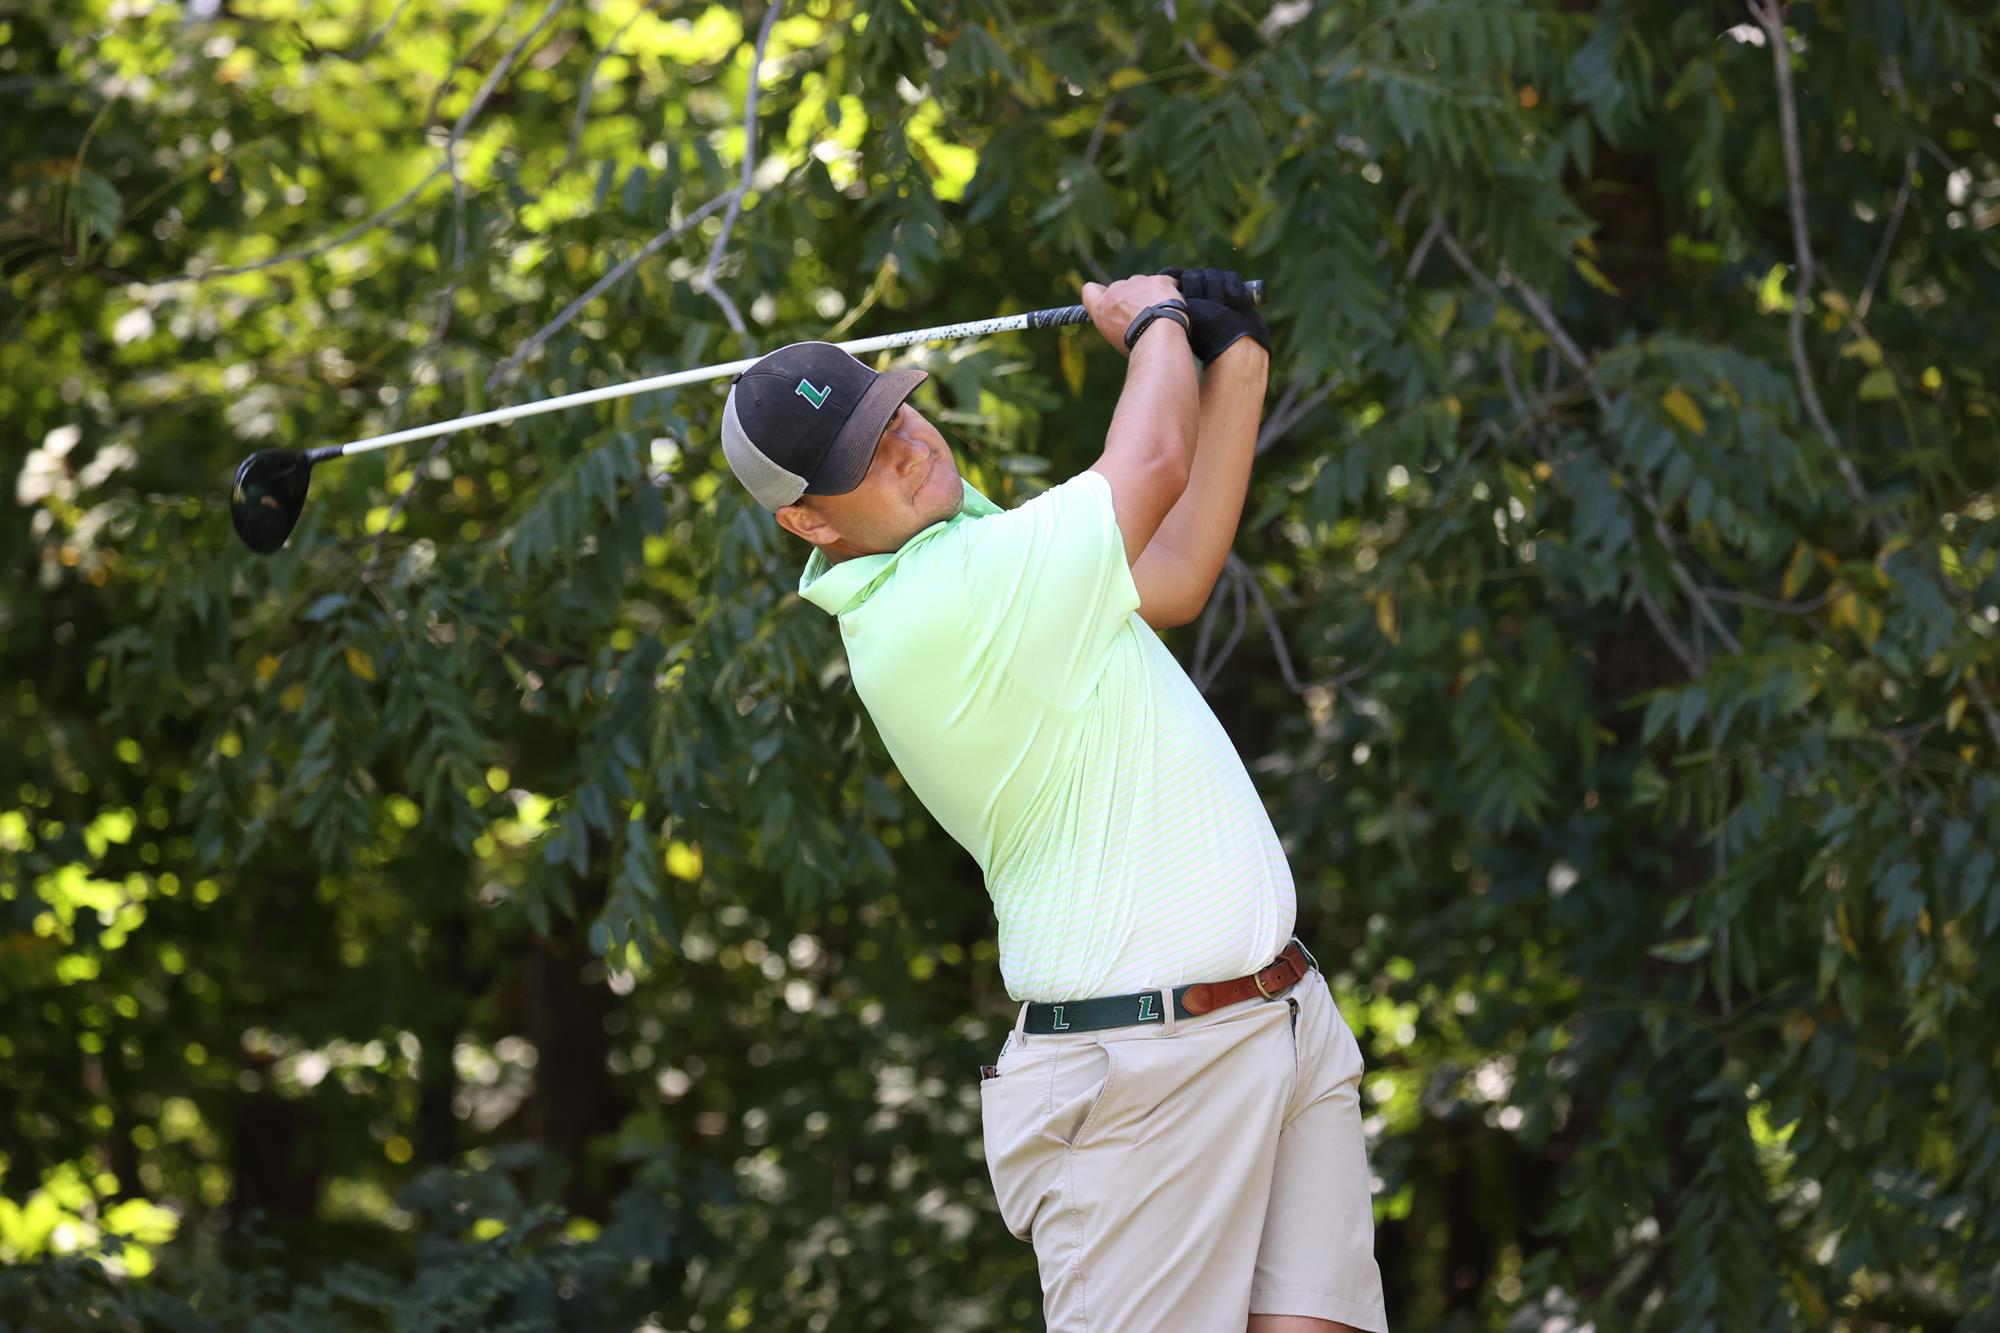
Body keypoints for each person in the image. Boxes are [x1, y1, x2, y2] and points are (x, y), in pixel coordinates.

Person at [719, 269, 1388, 1333]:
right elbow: (1153, 461)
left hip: (1273, 1019)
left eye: (894, 414)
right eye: (860, 459)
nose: (902, 447)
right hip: (1139, 1074)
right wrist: (1157, 323)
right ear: (807, 521)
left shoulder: (979, 550)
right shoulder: (938, 601)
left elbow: (1170, 573)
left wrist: (1235, 362)